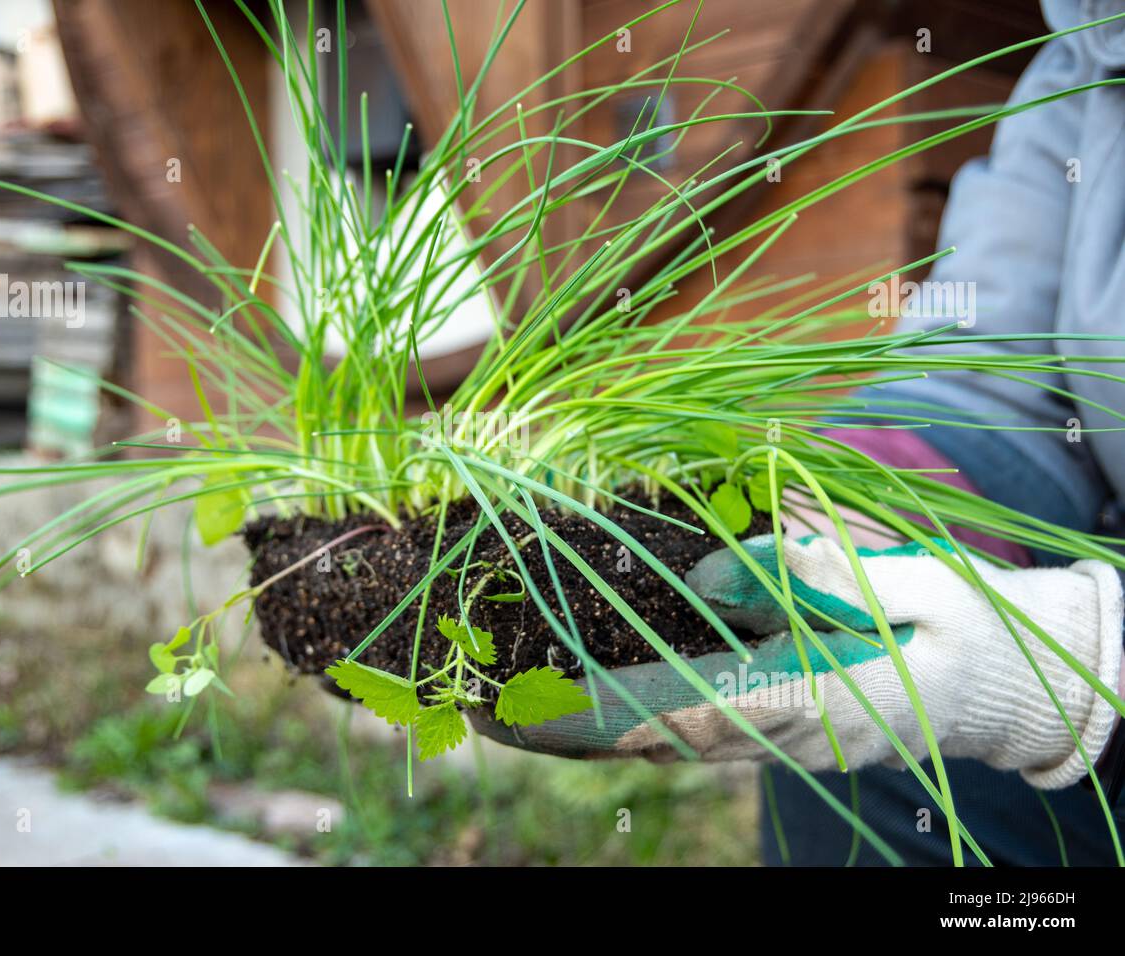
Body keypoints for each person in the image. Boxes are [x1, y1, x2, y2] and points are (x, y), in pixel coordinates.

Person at [472, 0, 1125, 865]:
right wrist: (878, 486)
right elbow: (1003, 367)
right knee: (843, 697)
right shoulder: (1099, 40)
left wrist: (1079, 669)